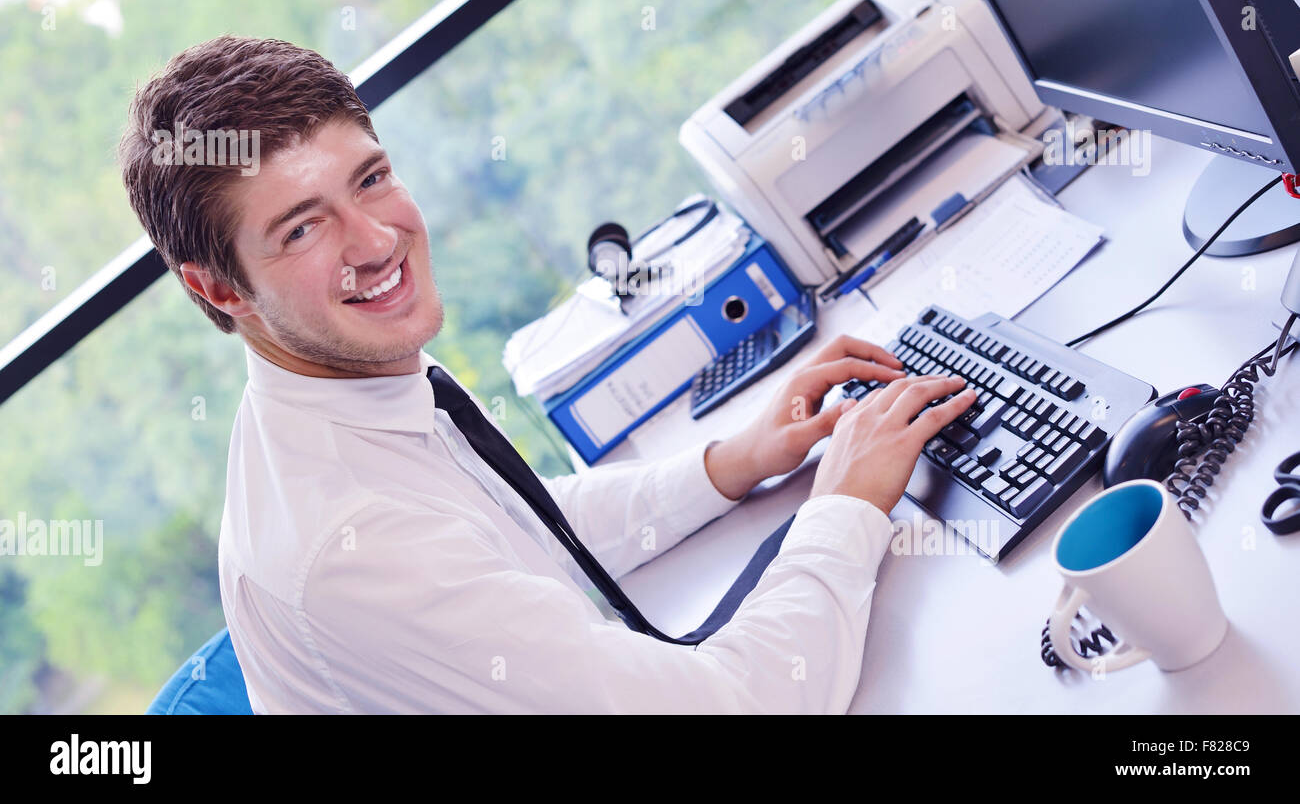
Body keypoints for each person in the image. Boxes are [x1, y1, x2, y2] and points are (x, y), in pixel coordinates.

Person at [118, 35, 974, 713]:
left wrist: (728, 464)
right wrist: (849, 503)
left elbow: (508, 526)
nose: (375, 242)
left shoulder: (337, 380)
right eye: (303, 229)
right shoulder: (353, 541)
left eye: (371, 178)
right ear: (218, 285)